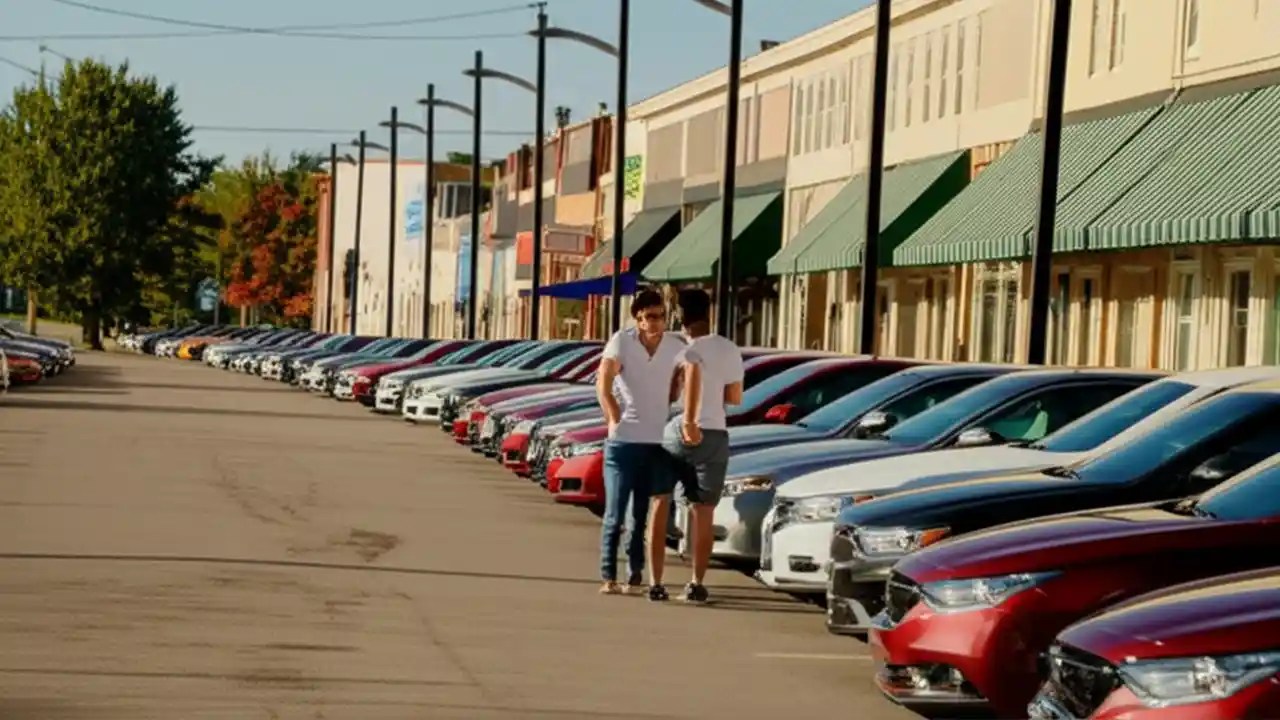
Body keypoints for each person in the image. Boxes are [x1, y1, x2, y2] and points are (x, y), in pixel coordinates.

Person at [647, 289, 744, 603]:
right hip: (713, 432)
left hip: (676, 429)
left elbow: (665, 394)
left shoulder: (674, 348)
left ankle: (655, 581)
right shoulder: (728, 348)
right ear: (709, 312)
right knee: (704, 511)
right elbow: (734, 398)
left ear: (678, 315)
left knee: (659, 501)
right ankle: (696, 583)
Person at [595, 289, 687, 595]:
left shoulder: (675, 345)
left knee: (640, 515)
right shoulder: (622, 341)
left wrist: (676, 390)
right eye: (649, 317)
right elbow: (603, 383)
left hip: (655, 441)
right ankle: (608, 575)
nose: (656, 322)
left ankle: (635, 575)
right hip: (623, 443)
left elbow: (682, 381)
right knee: (615, 512)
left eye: (660, 316)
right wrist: (613, 417)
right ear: (638, 319)